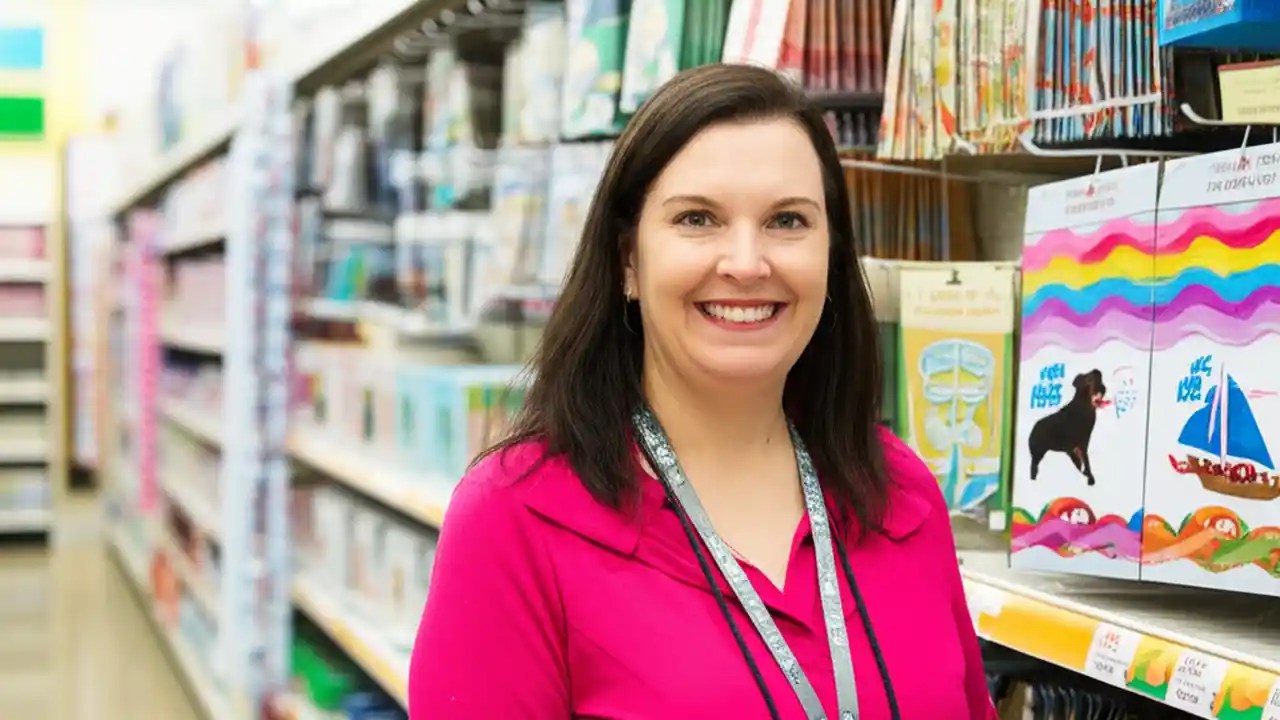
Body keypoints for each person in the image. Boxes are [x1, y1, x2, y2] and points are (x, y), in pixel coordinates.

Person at [409, 63, 995, 719]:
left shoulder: (901, 491)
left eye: (787, 221)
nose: (746, 263)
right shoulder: (513, 519)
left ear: (832, 255)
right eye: (697, 219)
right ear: (628, 261)